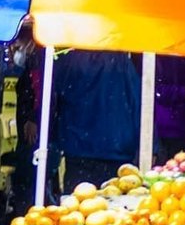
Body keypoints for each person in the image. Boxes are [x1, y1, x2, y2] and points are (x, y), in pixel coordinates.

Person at [53, 49, 142, 190]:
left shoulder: (69, 61)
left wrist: (53, 141)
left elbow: (54, 101)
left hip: (78, 150)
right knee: (114, 205)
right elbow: (138, 102)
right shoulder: (122, 62)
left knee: (77, 206)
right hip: (115, 150)